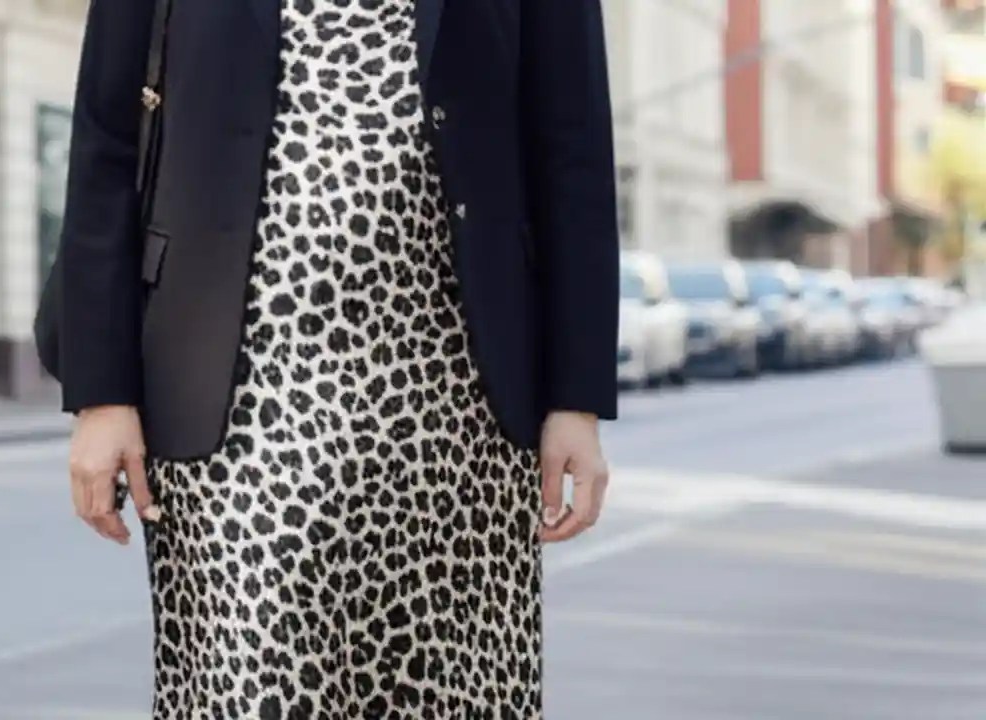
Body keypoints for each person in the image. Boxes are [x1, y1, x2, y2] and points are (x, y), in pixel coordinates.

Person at [59, 0, 618, 716]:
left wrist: (576, 400)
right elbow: (105, 141)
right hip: (233, 395)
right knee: (251, 693)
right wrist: (102, 396)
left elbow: (573, 152)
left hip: (457, 405)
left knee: (454, 697)